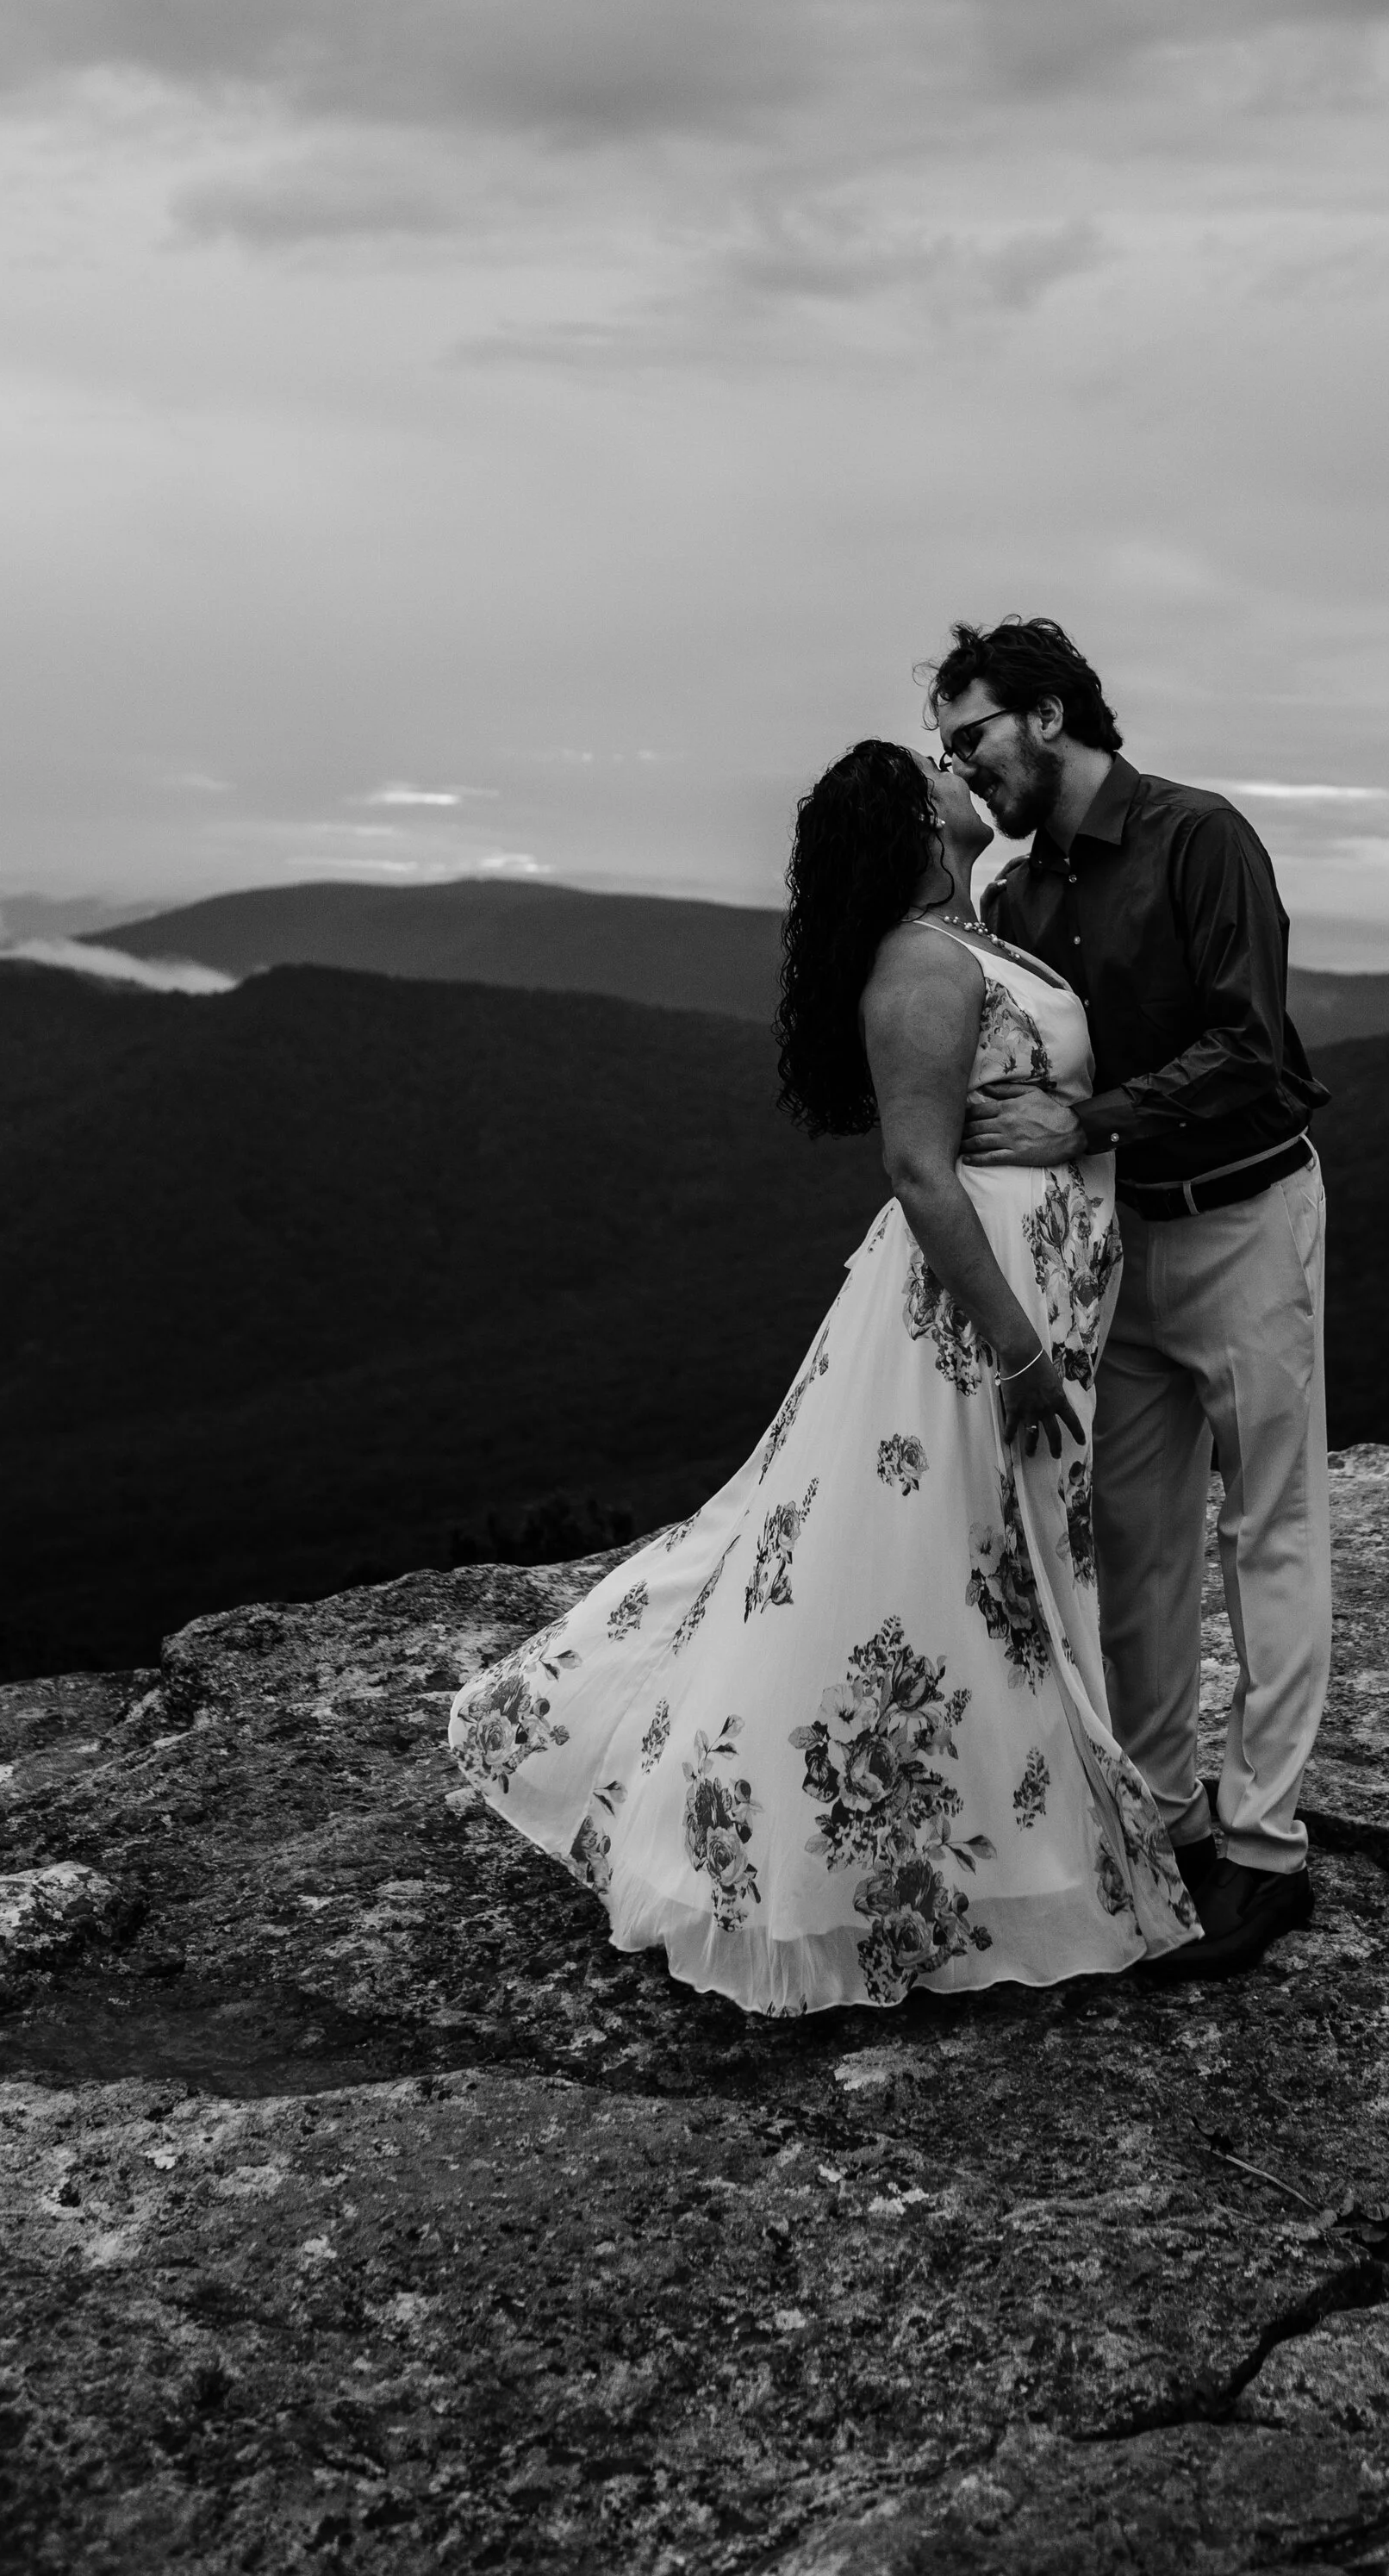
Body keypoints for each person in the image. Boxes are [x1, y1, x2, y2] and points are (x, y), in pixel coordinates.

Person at [447, 737, 1197, 2013]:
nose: (958, 774)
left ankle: (1003, 1852)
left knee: (993, 1565)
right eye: (934, 772)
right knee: (945, 1564)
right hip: (973, 1316)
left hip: (1039, 1293)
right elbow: (918, 1172)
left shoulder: (975, 938)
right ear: (916, 823)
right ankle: (872, 1873)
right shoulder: (922, 963)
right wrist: (1017, 1345)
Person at [932, 617, 1331, 1978]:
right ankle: (1163, 1818)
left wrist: (1086, 1122)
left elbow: (1252, 1049)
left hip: (1245, 1218)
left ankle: (1266, 1848)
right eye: (949, 752)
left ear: (1048, 716)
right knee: (1134, 1541)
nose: (965, 768)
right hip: (1113, 1251)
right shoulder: (1013, 898)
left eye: (975, 737)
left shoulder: (1199, 838)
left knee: (1269, 1528)